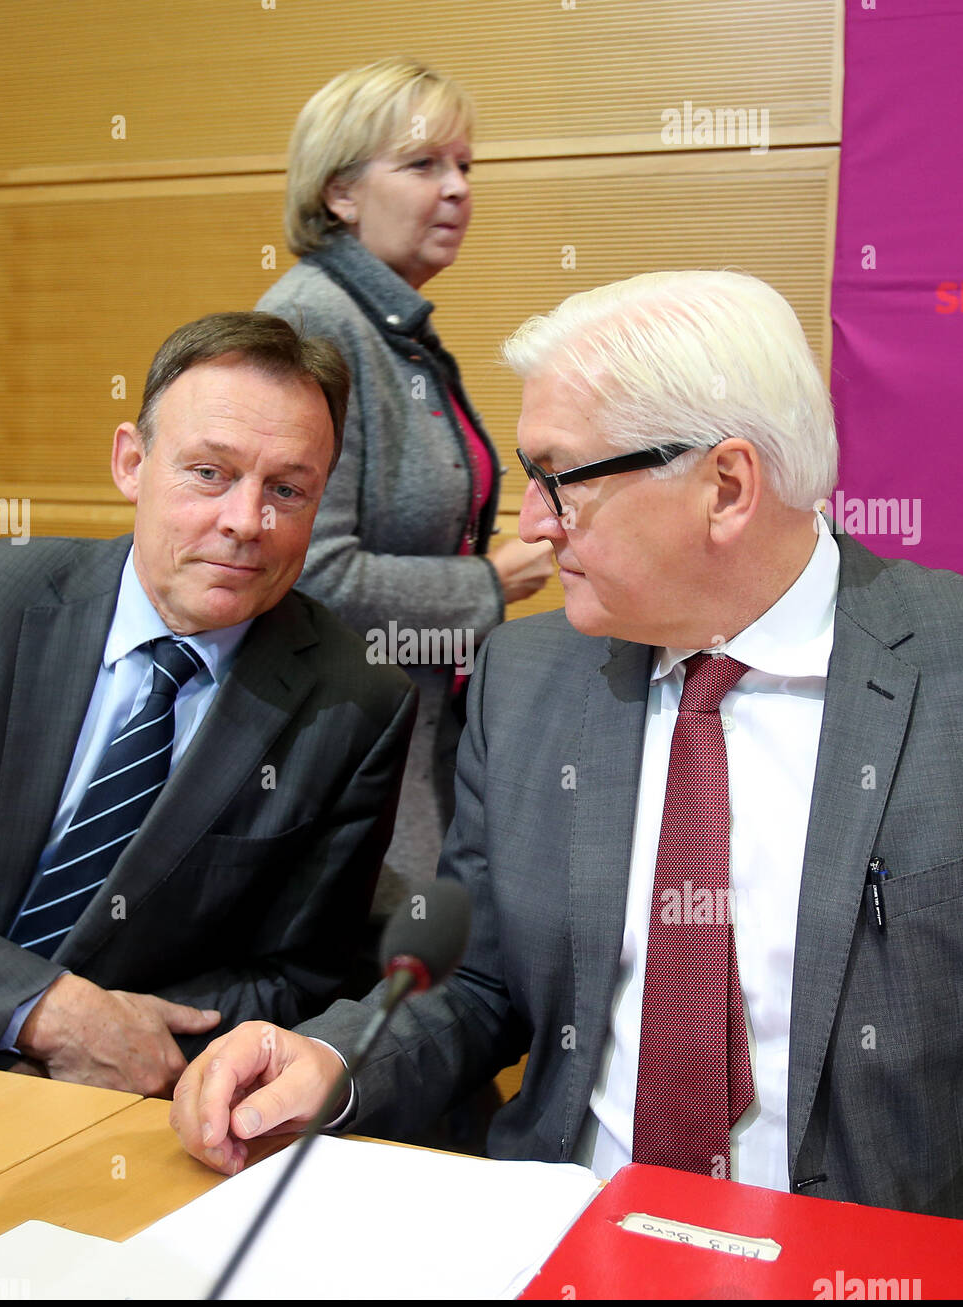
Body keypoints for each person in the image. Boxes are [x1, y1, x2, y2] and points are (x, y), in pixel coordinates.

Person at [172, 272, 963, 1219]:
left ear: (726, 486)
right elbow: (476, 983)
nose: (532, 527)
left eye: (560, 478)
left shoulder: (942, 677)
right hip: (567, 1234)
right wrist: (333, 1061)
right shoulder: (531, 678)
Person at [0, 311, 417, 1098]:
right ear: (132, 462)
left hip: (126, 1102)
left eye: (288, 489)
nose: (244, 522)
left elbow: (299, 973)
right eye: (209, 473)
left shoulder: (358, 703)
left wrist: (128, 1040)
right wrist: (49, 1013)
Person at [257, 58, 551, 910]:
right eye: (424, 166)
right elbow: (309, 572)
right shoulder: (315, 323)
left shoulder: (390, 327)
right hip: (332, 754)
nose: (457, 189)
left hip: (407, 735)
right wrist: (487, 584)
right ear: (340, 194)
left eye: (465, 166)